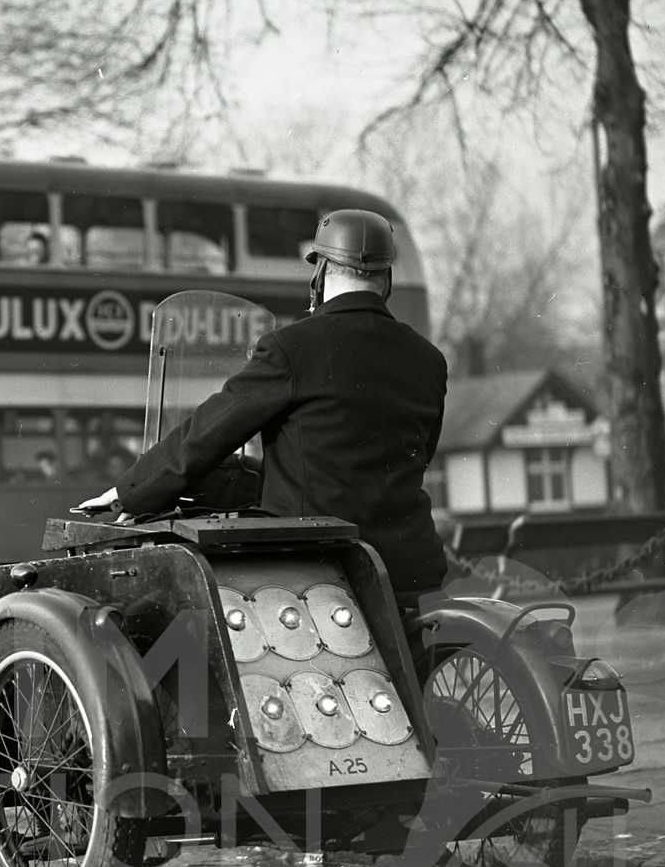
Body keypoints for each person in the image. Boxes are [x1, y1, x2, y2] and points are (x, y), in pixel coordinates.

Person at [74, 207, 449, 604]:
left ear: (319, 274)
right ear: (386, 278)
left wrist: (129, 492)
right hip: (410, 569)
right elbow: (418, 456)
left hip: (319, 568)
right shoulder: (428, 359)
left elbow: (207, 433)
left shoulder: (292, 348)